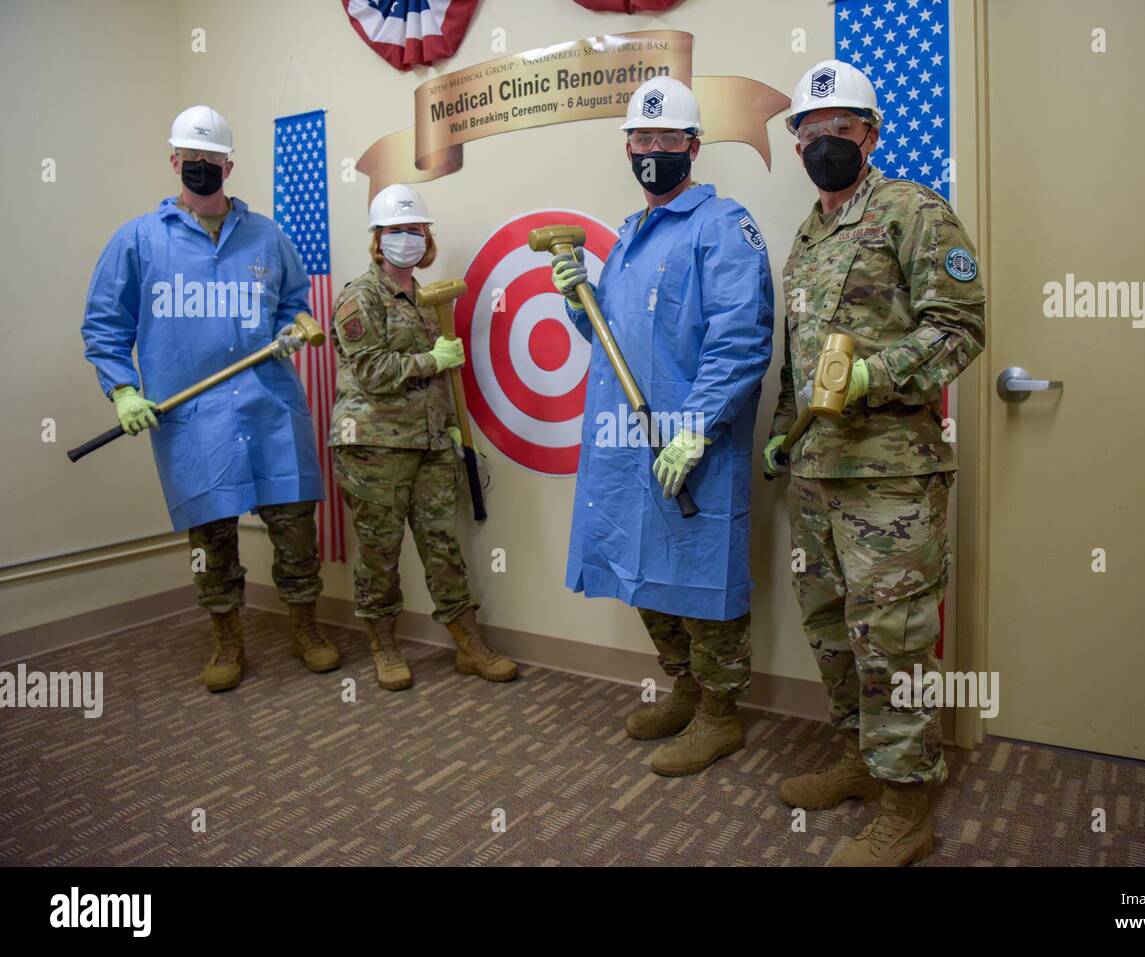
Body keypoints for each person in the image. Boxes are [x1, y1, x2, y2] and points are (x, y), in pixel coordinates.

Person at [764, 60, 986, 866]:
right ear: (796, 144)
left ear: (872, 132)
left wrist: (876, 375)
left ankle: (907, 802)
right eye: (811, 130)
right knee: (832, 631)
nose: (826, 141)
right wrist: (786, 429)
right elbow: (800, 359)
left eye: (842, 127)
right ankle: (860, 758)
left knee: (891, 637)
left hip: (892, 474)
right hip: (818, 475)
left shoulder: (912, 211)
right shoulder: (808, 233)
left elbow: (961, 325)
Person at [550, 77, 773, 776]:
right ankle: (682, 687)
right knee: (643, 570)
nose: (652, 151)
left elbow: (740, 339)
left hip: (691, 446)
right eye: (641, 139)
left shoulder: (722, 227)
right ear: (628, 146)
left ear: (692, 146)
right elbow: (617, 338)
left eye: (666, 139)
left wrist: (697, 428)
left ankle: (720, 713)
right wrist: (577, 300)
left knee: (702, 578)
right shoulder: (627, 234)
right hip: (625, 445)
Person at [82, 105, 338, 693]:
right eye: (191, 160)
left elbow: (293, 303)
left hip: (270, 407)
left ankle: (306, 629)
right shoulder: (139, 241)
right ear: (174, 161)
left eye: (212, 161)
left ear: (229, 165)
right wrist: (123, 390)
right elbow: (104, 325)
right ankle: (226, 640)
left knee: (296, 529)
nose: (201, 169)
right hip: (191, 418)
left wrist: (294, 327)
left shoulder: (267, 236)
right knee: (210, 539)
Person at [329, 184, 517, 690]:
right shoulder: (359, 295)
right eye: (395, 231)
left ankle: (468, 644)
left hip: (430, 442)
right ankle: (384, 646)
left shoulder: (425, 297)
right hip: (375, 448)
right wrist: (430, 361)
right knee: (380, 550)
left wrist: (448, 420)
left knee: (442, 544)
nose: (406, 239)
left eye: (414, 230)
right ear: (377, 239)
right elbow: (368, 369)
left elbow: (438, 376)